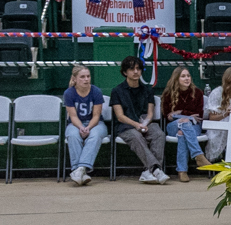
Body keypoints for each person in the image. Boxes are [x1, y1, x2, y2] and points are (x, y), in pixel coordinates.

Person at [110, 56, 168, 184]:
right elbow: (120, 116)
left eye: (138, 69)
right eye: (131, 69)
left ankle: (148, 172)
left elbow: (150, 113)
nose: (136, 72)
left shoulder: (148, 89)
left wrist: (144, 124)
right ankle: (156, 169)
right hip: (125, 126)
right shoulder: (117, 91)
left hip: (145, 123)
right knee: (136, 136)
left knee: (159, 134)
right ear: (125, 72)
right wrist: (137, 125)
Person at [161, 66, 206, 183]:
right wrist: (187, 116)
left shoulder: (198, 93)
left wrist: (180, 112)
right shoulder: (168, 94)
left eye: (188, 76)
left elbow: (199, 114)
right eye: (183, 76)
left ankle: (182, 171)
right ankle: (198, 155)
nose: (187, 79)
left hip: (194, 125)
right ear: (176, 79)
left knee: (182, 131)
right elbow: (168, 115)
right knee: (183, 123)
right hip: (173, 126)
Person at [63, 65, 106, 186]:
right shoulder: (69, 93)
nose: (86, 79)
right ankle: (80, 171)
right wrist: (81, 127)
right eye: (82, 77)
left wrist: (88, 127)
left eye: (88, 76)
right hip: (76, 123)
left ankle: (79, 169)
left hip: (95, 123)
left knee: (95, 135)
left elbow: (96, 116)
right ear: (74, 78)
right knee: (72, 135)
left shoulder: (96, 91)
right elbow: (73, 116)